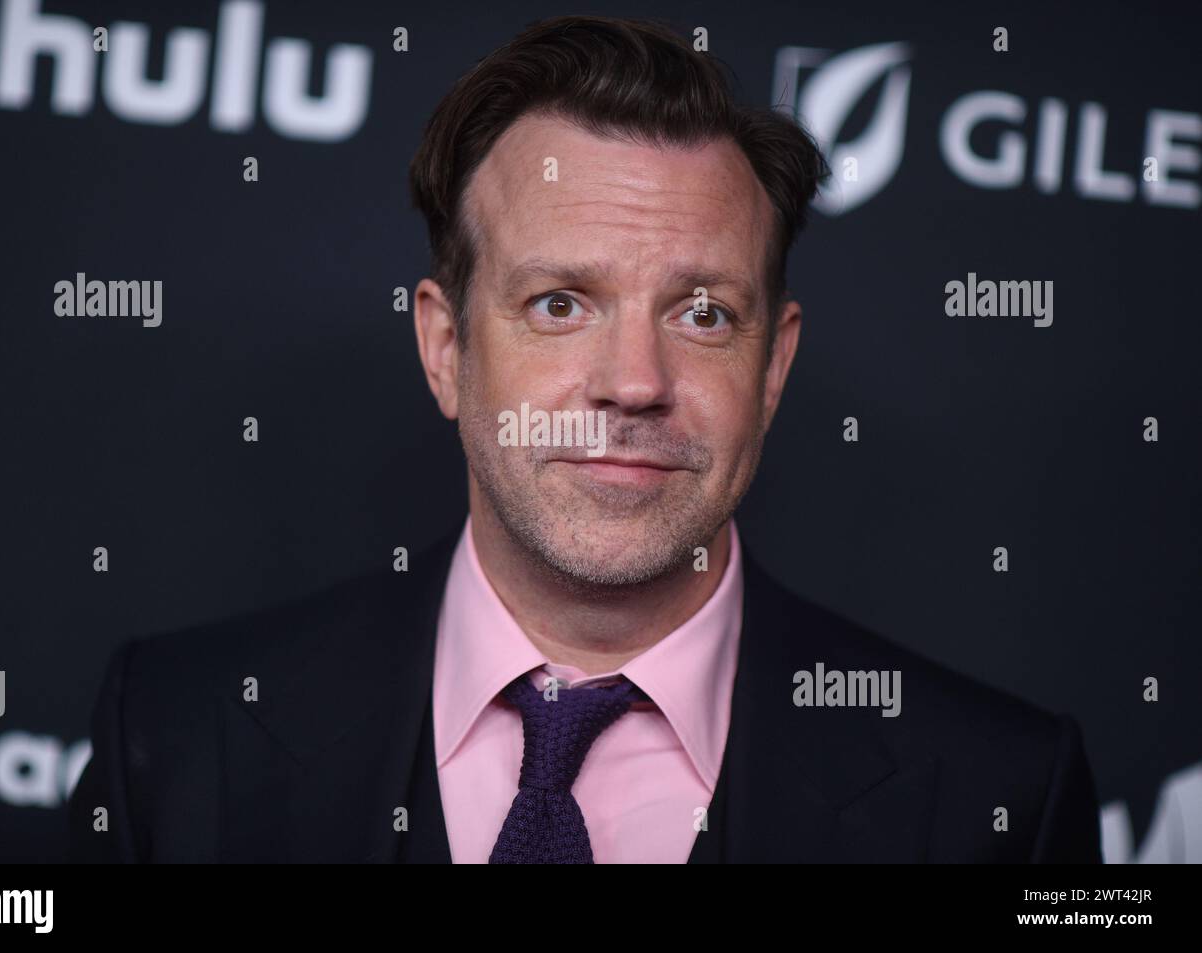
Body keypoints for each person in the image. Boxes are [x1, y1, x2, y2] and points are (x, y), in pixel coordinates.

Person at [68, 15, 1101, 863]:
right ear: (444, 348)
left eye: (703, 314)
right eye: (560, 302)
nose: (634, 384)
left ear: (774, 366)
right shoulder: (174, 732)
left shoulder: (998, 798)